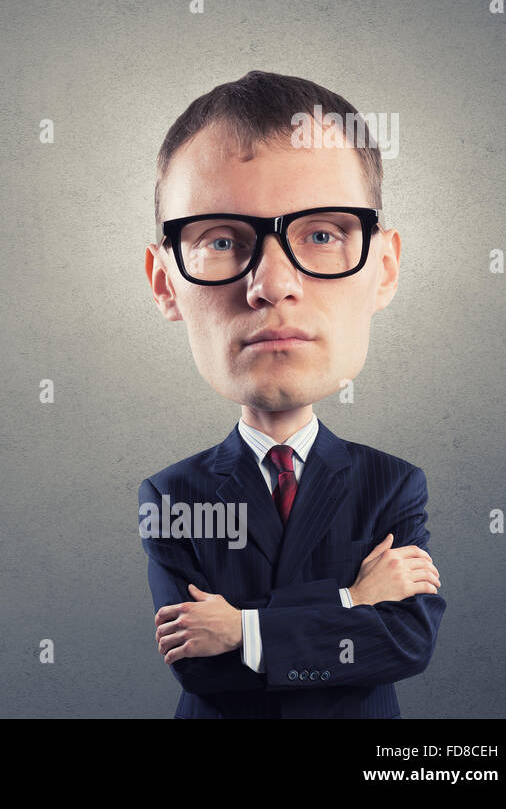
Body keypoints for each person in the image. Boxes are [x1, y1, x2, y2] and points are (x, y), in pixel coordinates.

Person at [139, 71, 444, 718]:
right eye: (222, 241)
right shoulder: (171, 496)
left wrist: (244, 630)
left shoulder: (391, 484)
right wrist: (352, 603)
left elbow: (408, 642)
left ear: (383, 269)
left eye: (323, 234)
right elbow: (201, 669)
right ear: (165, 284)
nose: (272, 284)